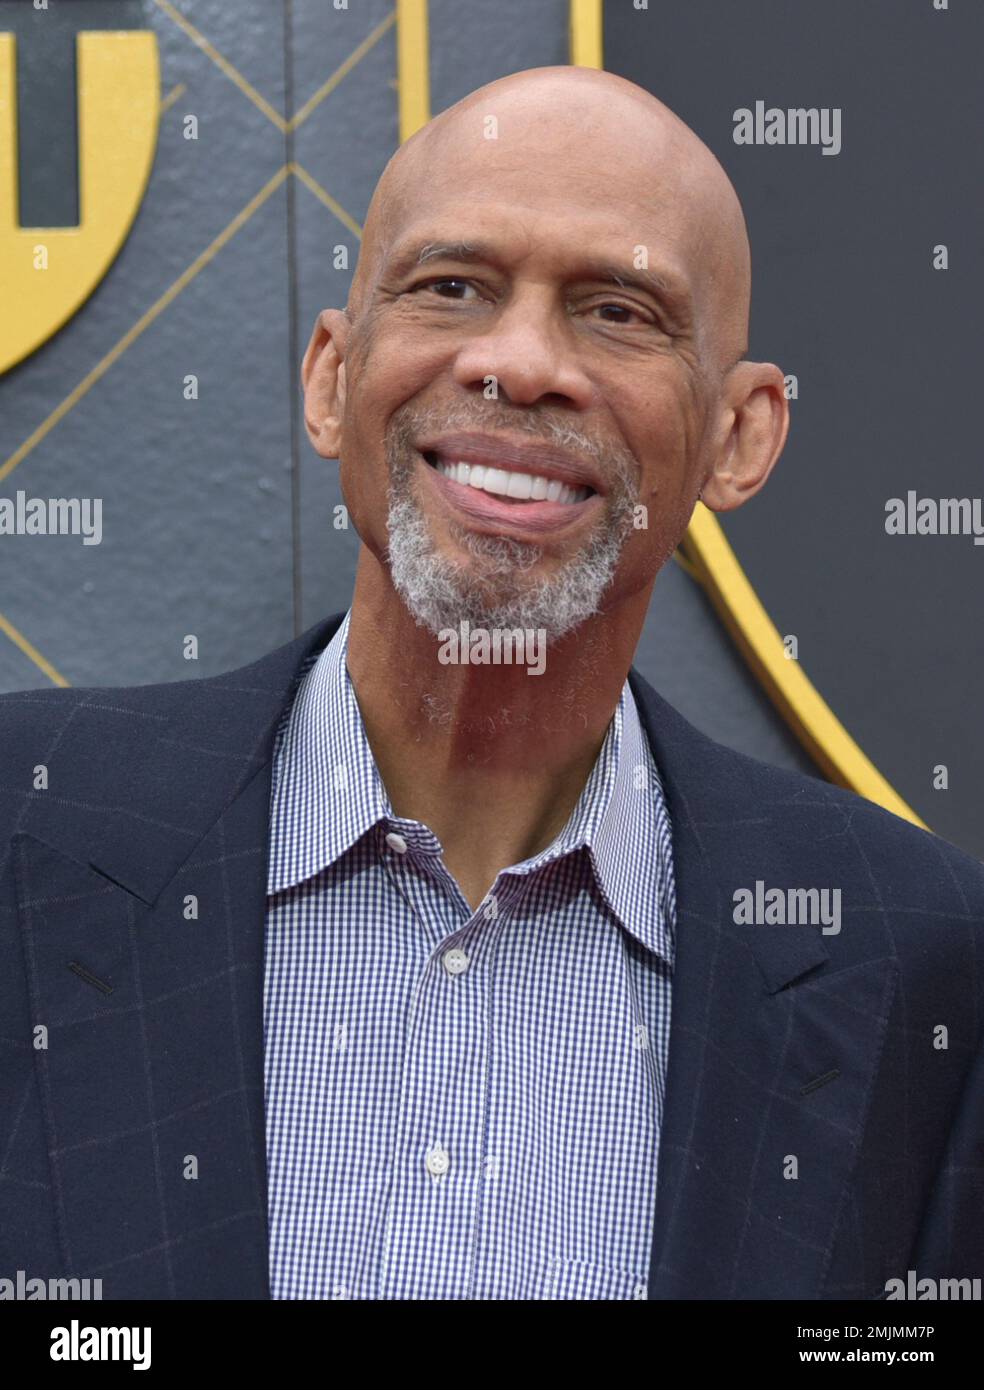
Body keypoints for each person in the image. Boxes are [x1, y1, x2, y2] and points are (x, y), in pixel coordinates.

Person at [1, 66, 981, 1302]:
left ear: (741, 437)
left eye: (619, 311)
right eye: (451, 287)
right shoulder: (24, 834)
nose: (518, 364)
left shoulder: (920, 966)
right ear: (329, 379)